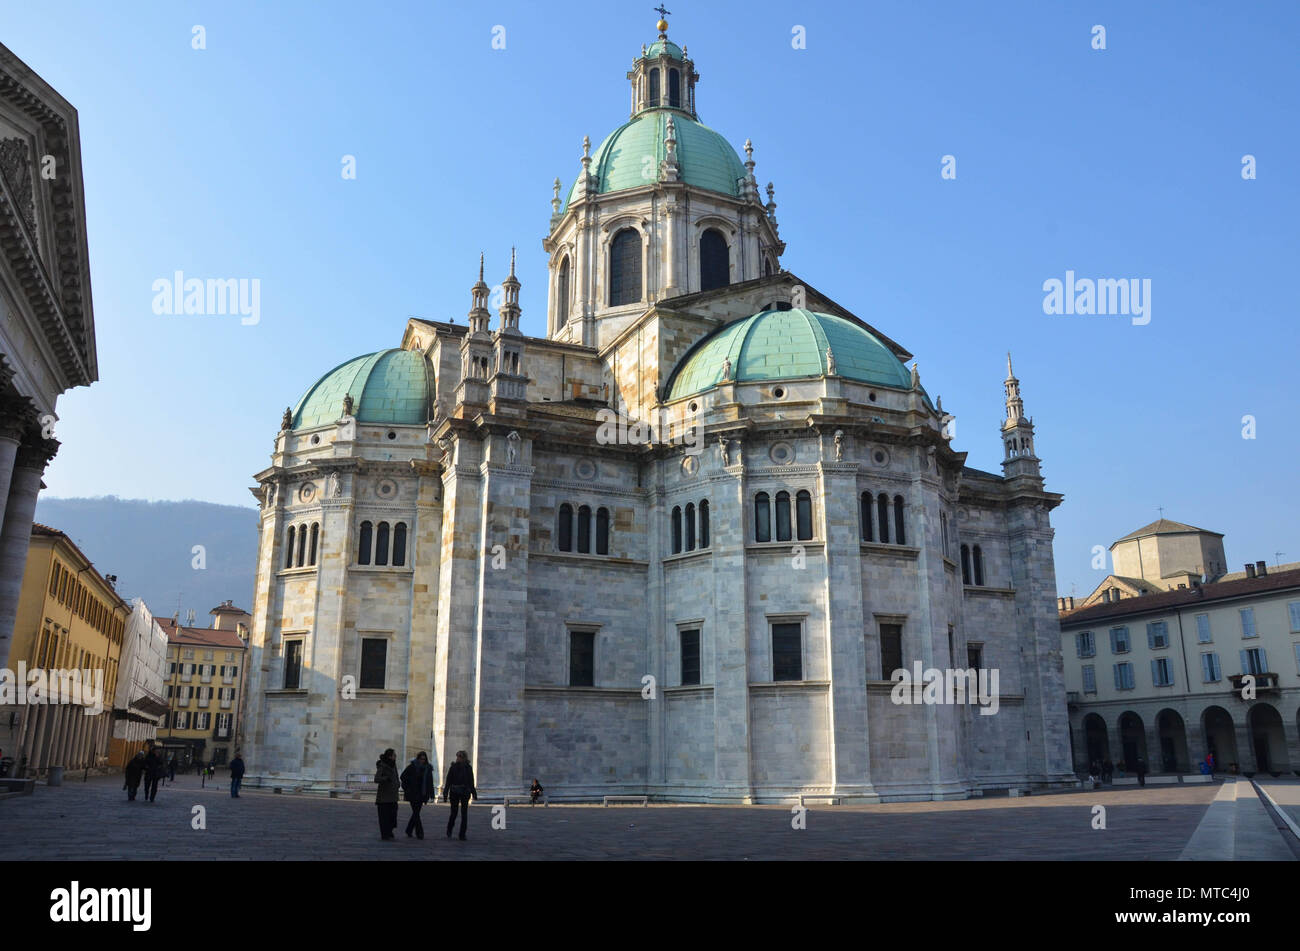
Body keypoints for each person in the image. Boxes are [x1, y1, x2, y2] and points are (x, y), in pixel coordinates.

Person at [442, 750, 477, 840]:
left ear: (464, 758)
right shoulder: (453, 767)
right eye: (457, 756)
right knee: (454, 813)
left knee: (464, 814)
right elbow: (448, 781)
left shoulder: (468, 768)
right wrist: (445, 793)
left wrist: (474, 793)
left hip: (465, 792)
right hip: (454, 792)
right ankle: (449, 829)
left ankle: (462, 834)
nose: (458, 758)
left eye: (460, 757)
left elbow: (471, 781)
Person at [400, 751, 435, 839]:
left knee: (416, 813)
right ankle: (420, 832)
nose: (422, 761)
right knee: (416, 813)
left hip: (422, 794)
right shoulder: (412, 767)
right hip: (412, 793)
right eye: (421, 759)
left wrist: (432, 794)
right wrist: (409, 786)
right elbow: (403, 776)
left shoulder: (428, 768)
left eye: (424, 759)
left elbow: (430, 782)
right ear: (418, 758)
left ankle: (409, 830)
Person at [374, 748, 400, 840]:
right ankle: (385, 834)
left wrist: (397, 783)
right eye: (394, 755)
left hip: (393, 796)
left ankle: (389, 831)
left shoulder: (394, 765)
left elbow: (396, 776)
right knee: (384, 817)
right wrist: (385, 778)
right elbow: (376, 779)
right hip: (384, 797)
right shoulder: (382, 765)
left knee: (393, 816)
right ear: (390, 756)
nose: (395, 756)